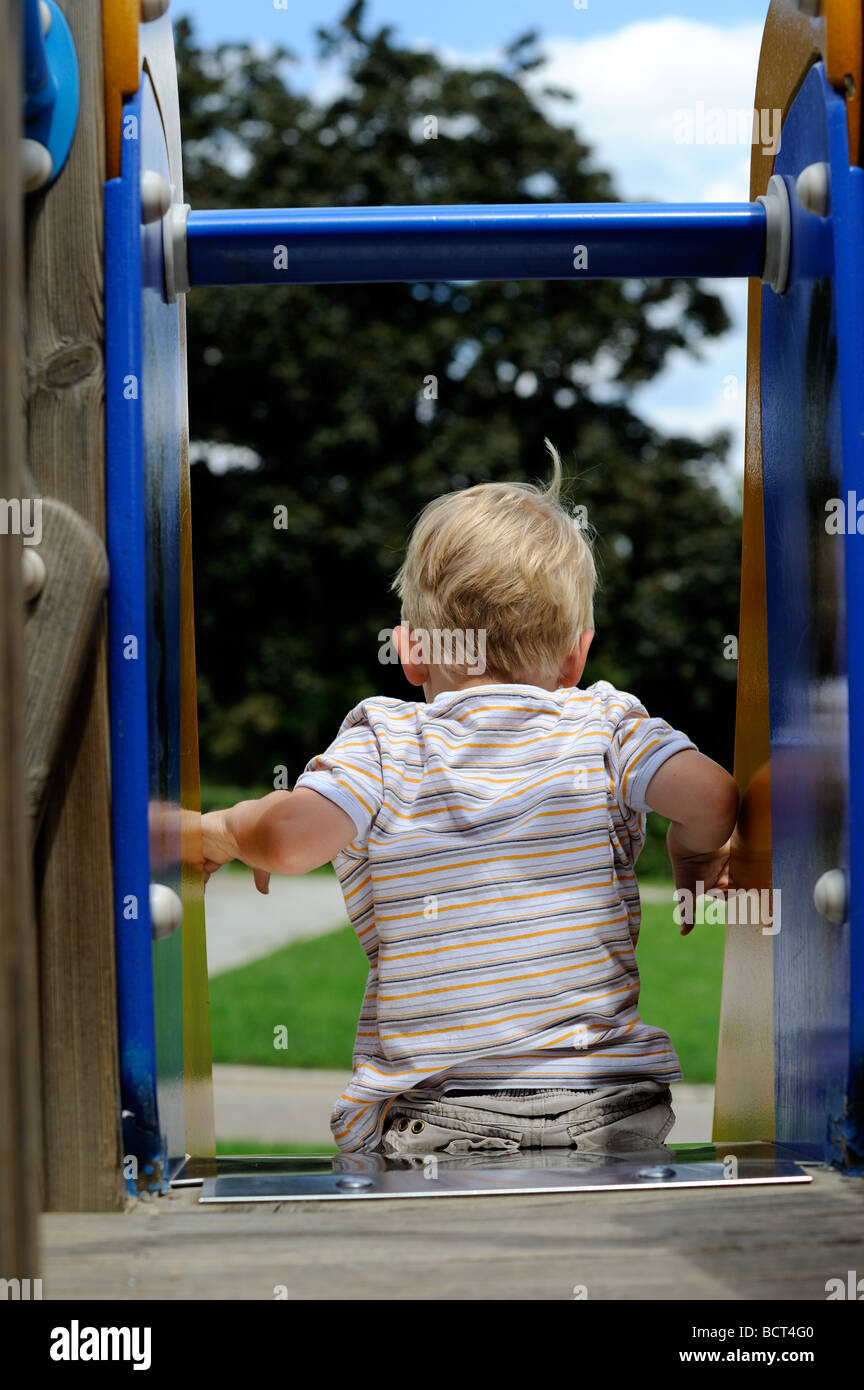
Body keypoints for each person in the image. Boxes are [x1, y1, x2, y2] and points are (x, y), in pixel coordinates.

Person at [201, 441, 738, 1157]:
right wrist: (694, 845)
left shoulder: (388, 740)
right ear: (577, 656)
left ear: (411, 650)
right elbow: (713, 794)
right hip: (610, 1108)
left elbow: (293, 838)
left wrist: (230, 829)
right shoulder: (606, 724)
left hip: (450, 1113)